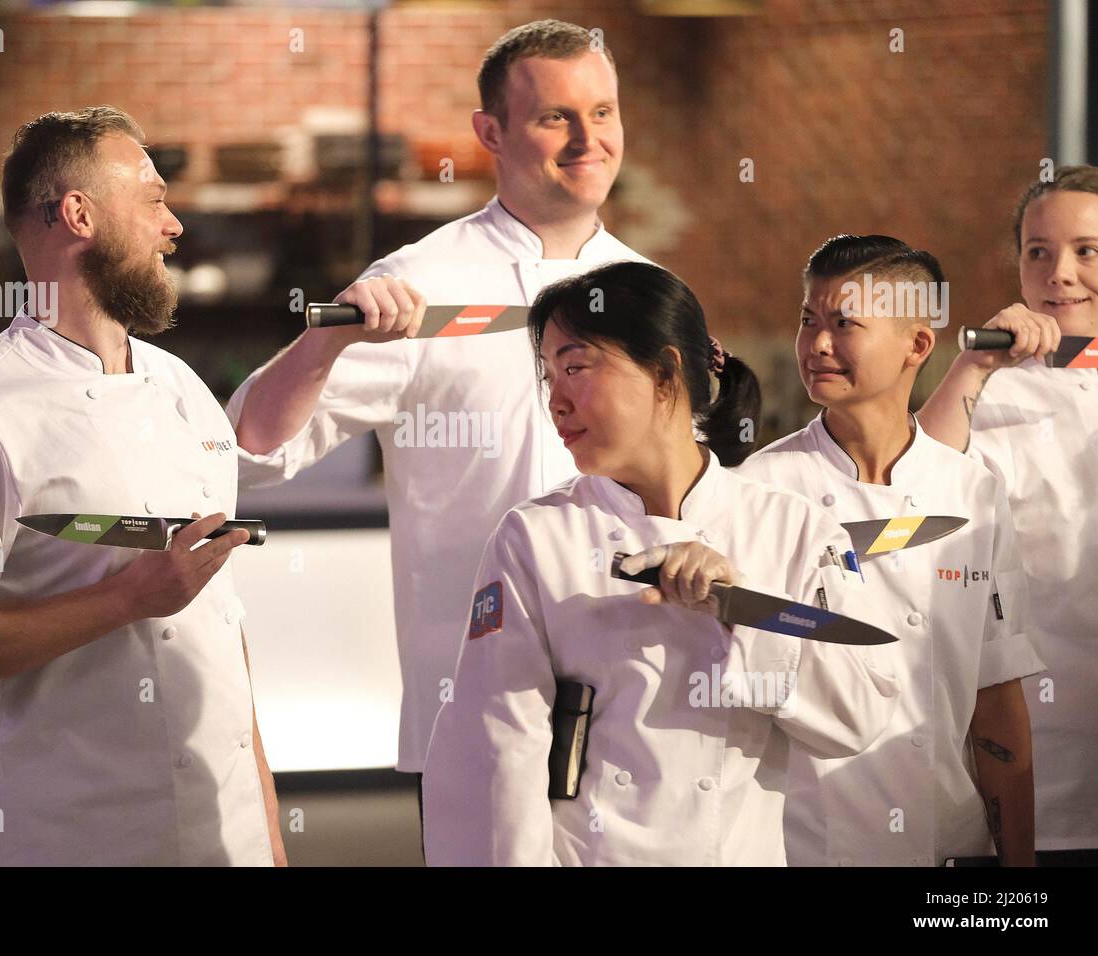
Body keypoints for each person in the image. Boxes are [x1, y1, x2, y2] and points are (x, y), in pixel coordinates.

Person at [226, 20, 653, 792]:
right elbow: (249, 450)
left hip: (641, 711)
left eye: (603, 112)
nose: (588, 139)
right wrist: (323, 344)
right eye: (555, 116)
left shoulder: (655, 294)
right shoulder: (419, 285)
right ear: (489, 132)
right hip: (477, 709)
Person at [0, 107, 285, 866]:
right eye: (155, 199)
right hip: (60, 835)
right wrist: (129, 599)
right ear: (80, 214)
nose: (176, 226)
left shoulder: (185, 391)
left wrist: (265, 832)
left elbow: (220, 633)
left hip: (219, 834)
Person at [421, 260, 901, 865]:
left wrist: (743, 611)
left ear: (665, 371)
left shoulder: (794, 528)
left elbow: (857, 719)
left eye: (575, 367)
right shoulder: (536, 538)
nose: (557, 402)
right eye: (547, 378)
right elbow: (499, 751)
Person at [738, 235, 1042, 866]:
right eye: (808, 320)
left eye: (844, 323)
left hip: (951, 850)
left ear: (917, 344)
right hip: (809, 848)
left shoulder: (973, 493)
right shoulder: (758, 492)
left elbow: (996, 698)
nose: (818, 343)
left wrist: (1020, 876)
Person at [918, 166, 1098, 859]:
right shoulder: (992, 393)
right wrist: (973, 366)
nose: (1062, 274)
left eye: (1088, 251)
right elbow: (909, 490)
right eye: (1038, 251)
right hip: (1036, 758)